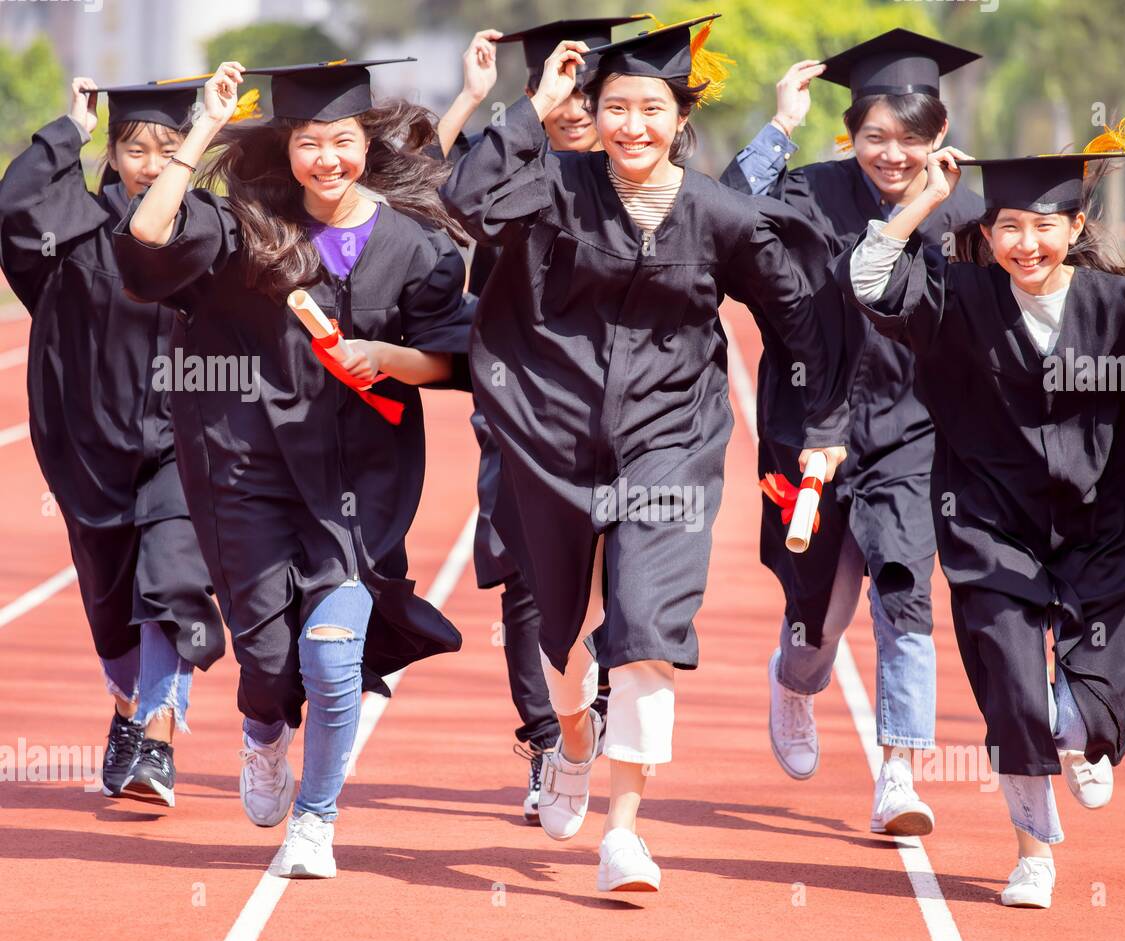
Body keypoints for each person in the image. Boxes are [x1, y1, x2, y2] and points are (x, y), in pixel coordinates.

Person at [442, 15, 848, 892]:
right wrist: (531, 105)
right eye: (615, 106)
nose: (632, 126)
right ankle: (570, 746)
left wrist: (821, 429)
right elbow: (464, 201)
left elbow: (799, 324)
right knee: (561, 633)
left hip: (671, 438)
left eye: (651, 109)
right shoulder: (553, 185)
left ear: (680, 117)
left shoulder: (722, 216)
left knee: (645, 622)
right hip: (550, 435)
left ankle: (624, 831)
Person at [840, 128, 1125, 907]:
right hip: (994, 523)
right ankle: (1032, 853)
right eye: (1009, 225)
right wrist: (922, 200)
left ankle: (1088, 738)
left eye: (1045, 224)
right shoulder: (958, 300)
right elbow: (872, 280)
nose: (1027, 242)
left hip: (1116, 525)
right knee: (1014, 691)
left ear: (1076, 228)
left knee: (1075, 717)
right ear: (987, 232)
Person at [113, 58, 474, 878]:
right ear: (288, 148)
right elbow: (146, 245)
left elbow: (455, 357)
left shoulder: (414, 245)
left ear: (366, 143)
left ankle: (316, 821)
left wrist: (388, 356)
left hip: (362, 477)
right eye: (308, 143)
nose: (326, 159)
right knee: (270, 663)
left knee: (335, 647)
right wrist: (200, 127)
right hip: (246, 469)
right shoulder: (247, 227)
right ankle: (263, 730)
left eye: (340, 140)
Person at [720, 29, 982, 837]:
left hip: (911, 428)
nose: (891, 155)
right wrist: (780, 126)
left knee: (905, 593)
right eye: (874, 137)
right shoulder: (811, 191)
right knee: (819, 615)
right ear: (852, 134)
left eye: (909, 139)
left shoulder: (964, 211)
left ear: (938, 137)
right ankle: (796, 681)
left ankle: (898, 773)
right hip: (809, 424)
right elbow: (727, 217)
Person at [434, 19, 650, 825]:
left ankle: (597, 709)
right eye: (557, 93)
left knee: (623, 572)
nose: (572, 110)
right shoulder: (508, 160)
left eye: (585, 95)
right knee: (525, 574)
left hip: (622, 410)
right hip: (518, 407)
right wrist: (484, 101)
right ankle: (546, 738)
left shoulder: (634, 173)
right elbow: (437, 191)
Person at [0, 76, 226, 807]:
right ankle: (128, 709)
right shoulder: (73, 232)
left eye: (167, 147)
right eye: (135, 148)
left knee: (171, 581)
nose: (151, 163)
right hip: (88, 448)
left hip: (184, 443)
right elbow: (14, 210)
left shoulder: (205, 231)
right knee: (108, 599)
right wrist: (70, 124)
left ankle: (156, 737)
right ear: (113, 154)